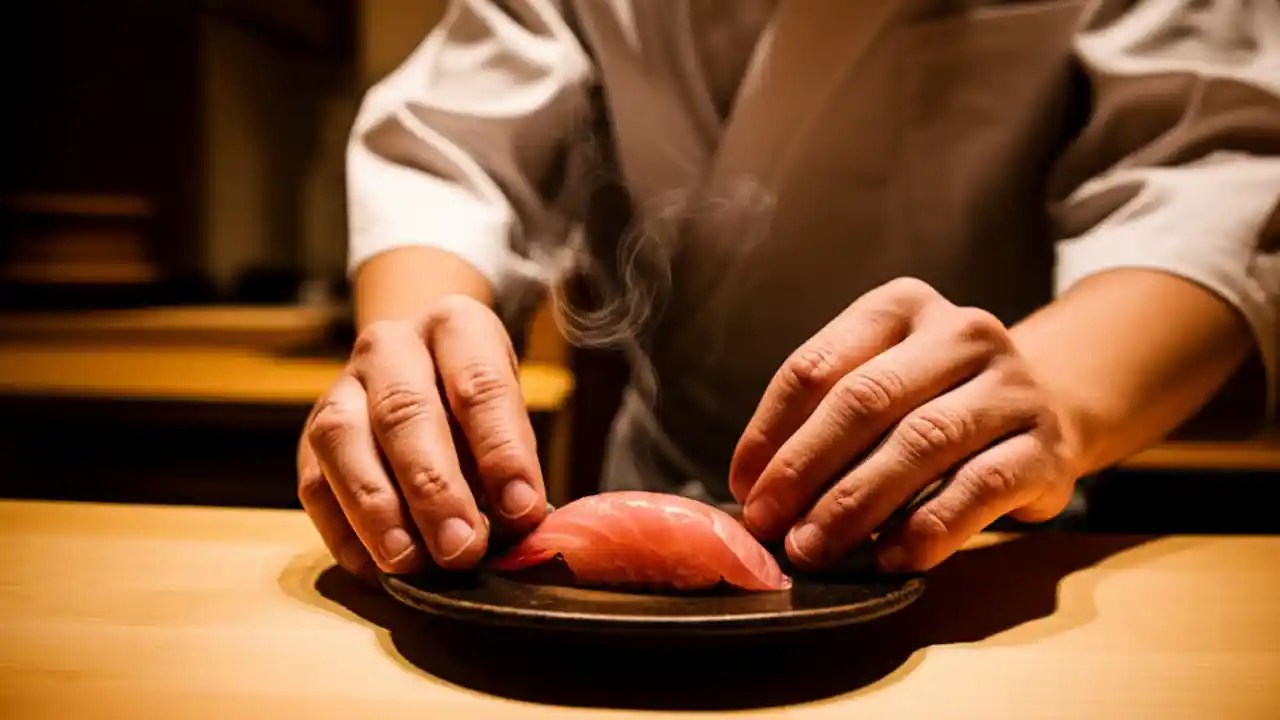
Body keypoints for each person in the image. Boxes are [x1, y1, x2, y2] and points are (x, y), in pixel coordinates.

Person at [297, 0, 1279, 584]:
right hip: (644, 480)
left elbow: (1212, 165)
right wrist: (416, 357)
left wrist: (1054, 403)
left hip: (971, 531)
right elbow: (450, 148)